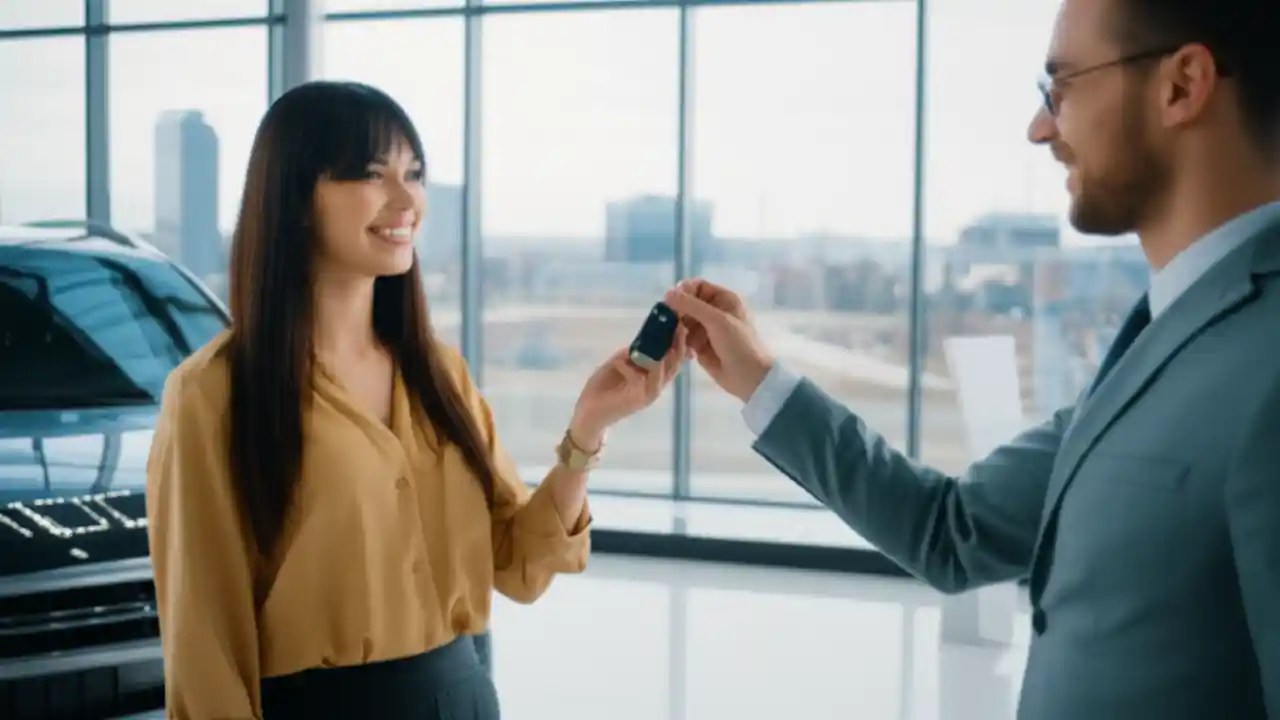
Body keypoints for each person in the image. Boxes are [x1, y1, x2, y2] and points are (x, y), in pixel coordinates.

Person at [662, 0, 1280, 718]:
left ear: (1182, 84)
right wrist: (759, 380)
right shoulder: (1159, 337)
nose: (1041, 127)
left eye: (1063, 85)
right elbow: (950, 532)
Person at [145, 80, 687, 720]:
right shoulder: (213, 394)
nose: (407, 201)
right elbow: (204, 643)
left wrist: (589, 428)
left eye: (415, 173)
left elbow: (520, 561)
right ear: (295, 199)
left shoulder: (438, 375)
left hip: (460, 696)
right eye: (373, 175)